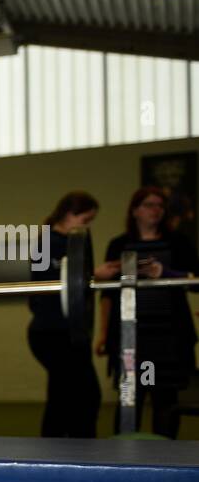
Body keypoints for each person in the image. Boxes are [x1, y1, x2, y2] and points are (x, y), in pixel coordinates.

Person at [99, 186, 199, 438]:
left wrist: (165, 273)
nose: (156, 210)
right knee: (130, 396)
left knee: (164, 399)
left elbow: (195, 281)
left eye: (160, 206)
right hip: (132, 338)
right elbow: (108, 295)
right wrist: (102, 334)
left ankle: (162, 459)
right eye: (149, 205)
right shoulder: (119, 244)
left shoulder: (177, 242)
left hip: (167, 338)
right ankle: (124, 458)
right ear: (135, 211)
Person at [26, 191, 105, 438]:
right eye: (85, 219)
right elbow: (45, 283)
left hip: (71, 332)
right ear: (70, 214)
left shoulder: (74, 243)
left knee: (72, 395)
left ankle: (74, 450)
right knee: (76, 394)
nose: (87, 226)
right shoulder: (45, 243)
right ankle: (68, 451)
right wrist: (93, 276)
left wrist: (92, 275)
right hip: (50, 332)